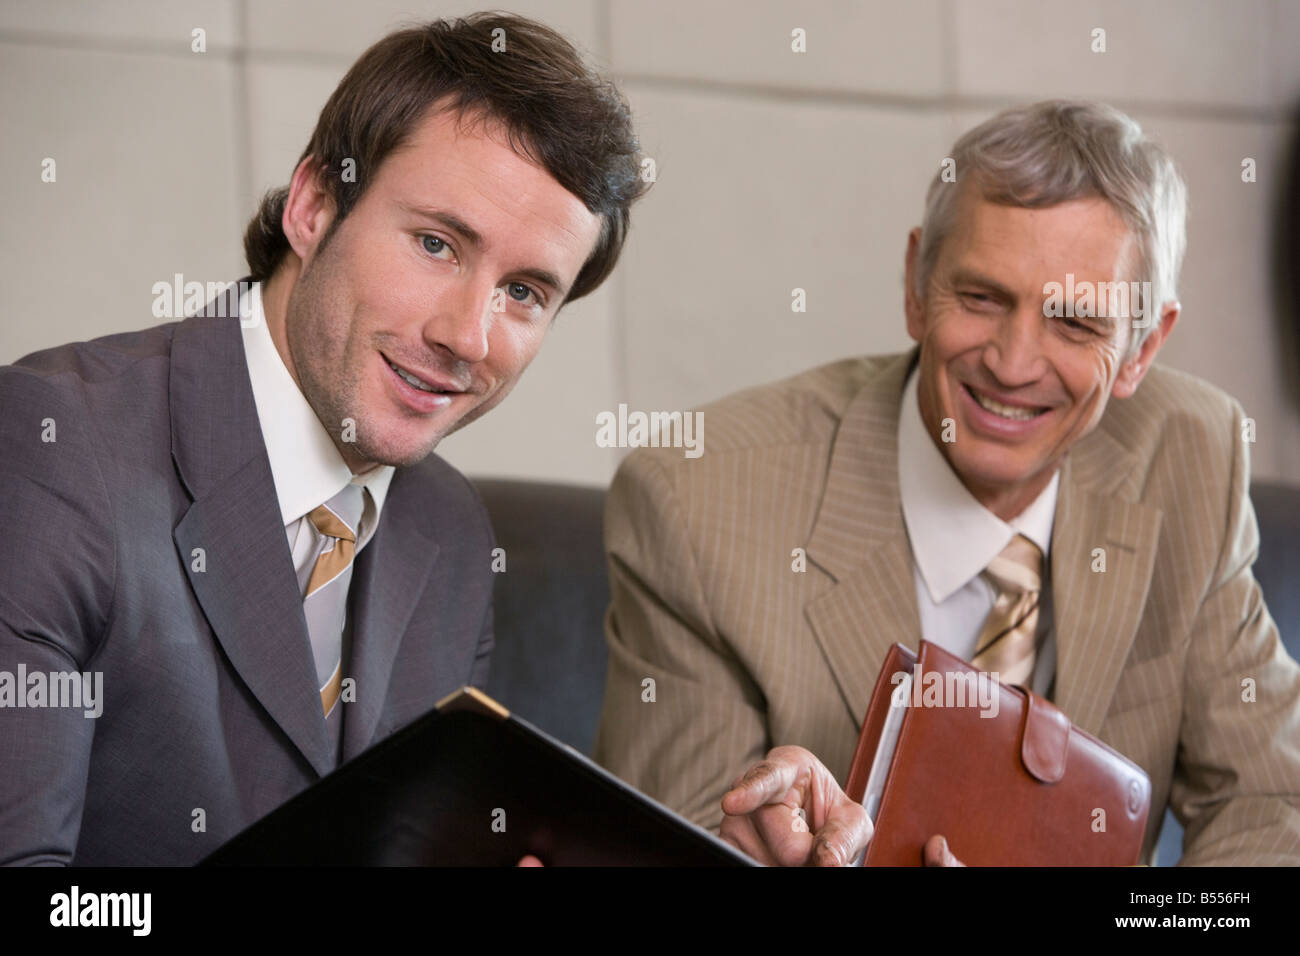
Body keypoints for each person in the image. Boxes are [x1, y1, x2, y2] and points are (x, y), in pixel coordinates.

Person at [0, 13, 646, 866]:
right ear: (312, 206)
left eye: (524, 292)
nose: (469, 337)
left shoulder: (450, 531)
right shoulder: (54, 445)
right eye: (436, 244)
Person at [594, 100, 1300, 867]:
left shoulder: (1191, 458)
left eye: (1075, 323)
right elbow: (668, 855)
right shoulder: (698, 503)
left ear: (1141, 349)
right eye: (981, 298)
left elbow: (1272, 801)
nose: (1013, 362)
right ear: (915, 285)